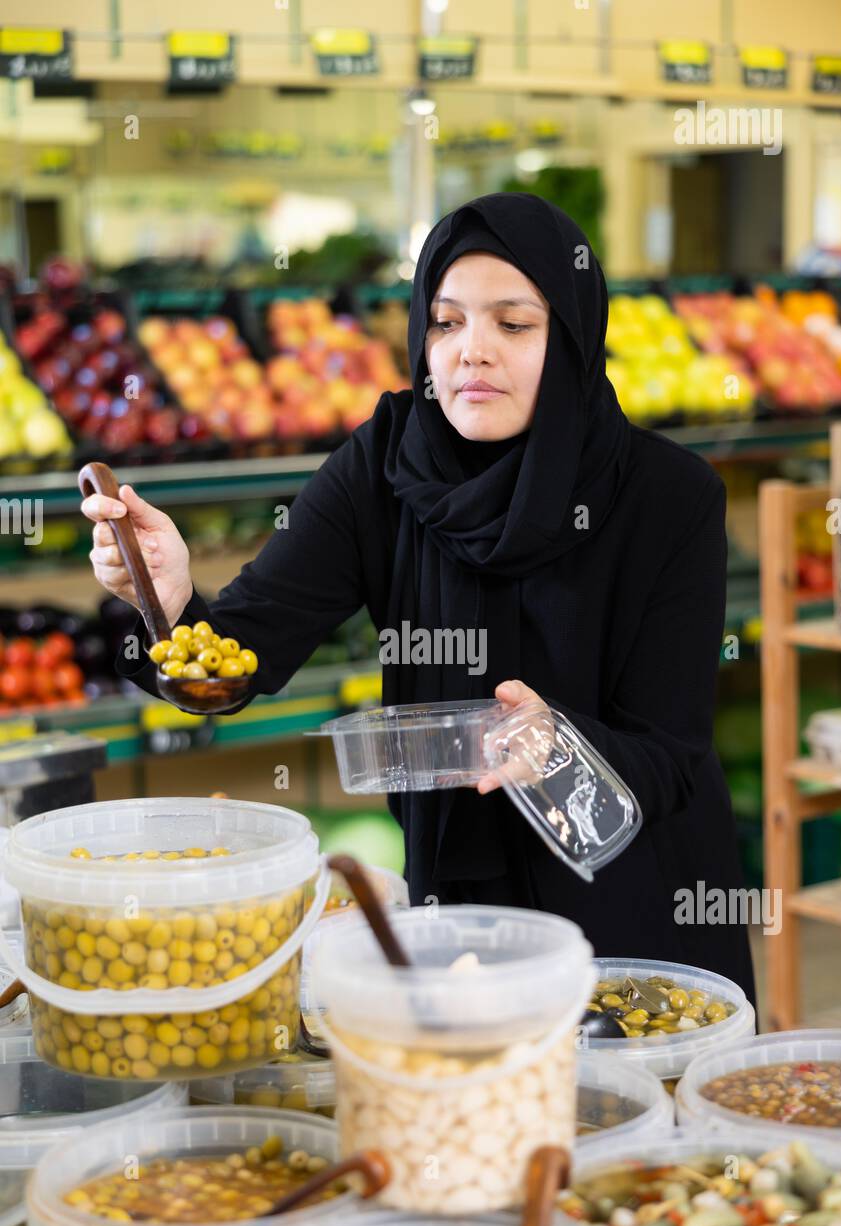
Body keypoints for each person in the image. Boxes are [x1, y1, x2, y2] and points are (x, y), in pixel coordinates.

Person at [82, 192, 756, 1005]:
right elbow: (236, 660)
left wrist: (559, 747)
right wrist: (170, 603)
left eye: (513, 325)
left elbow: (670, 752)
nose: (473, 352)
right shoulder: (385, 465)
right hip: (456, 909)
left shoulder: (669, 497)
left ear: (573, 338)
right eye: (446, 323)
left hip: (632, 904)